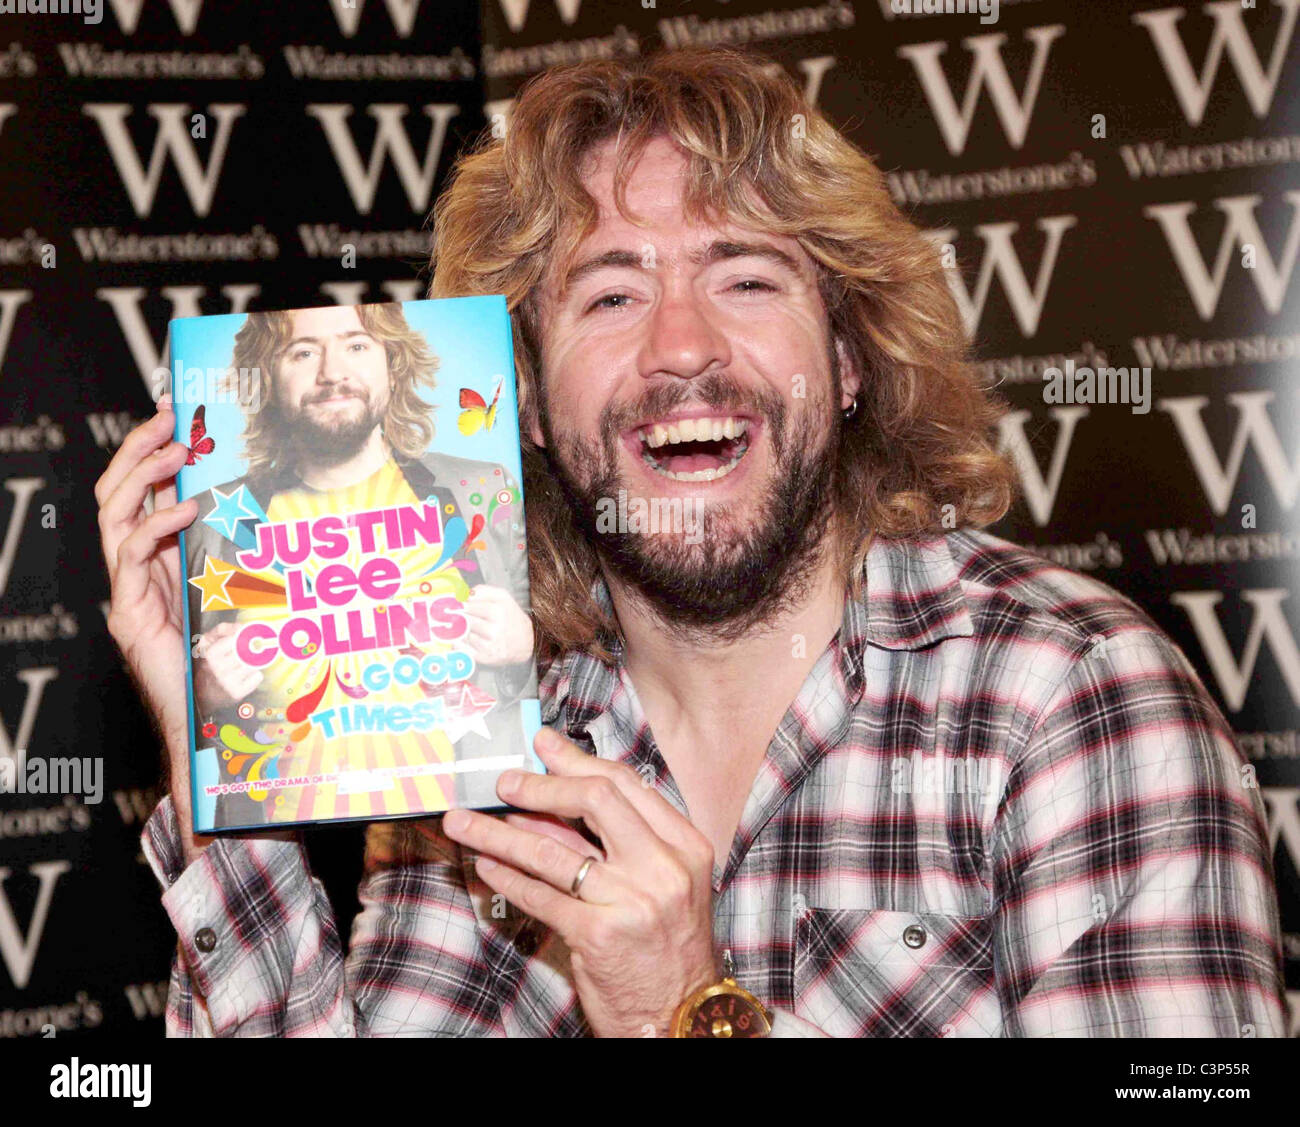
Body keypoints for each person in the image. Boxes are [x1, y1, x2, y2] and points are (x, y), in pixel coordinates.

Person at [96, 45, 1286, 1037]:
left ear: (850, 358)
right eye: (609, 295)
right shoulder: (490, 729)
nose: (680, 347)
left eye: (747, 279)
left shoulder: (1070, 693)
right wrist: (221, 749)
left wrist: (690, 1009)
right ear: (525, 402)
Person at [179, 300, 535, 823]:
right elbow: (172, 711)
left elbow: (578, 669)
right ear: (265, 379)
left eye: (357, 345)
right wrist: (202, 691)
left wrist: (524, 643)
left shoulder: (481, 491)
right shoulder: (208, 520)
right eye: (302, 352)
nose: (332, 373)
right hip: (282, 851)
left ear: (393, 365)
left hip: (465, 839)